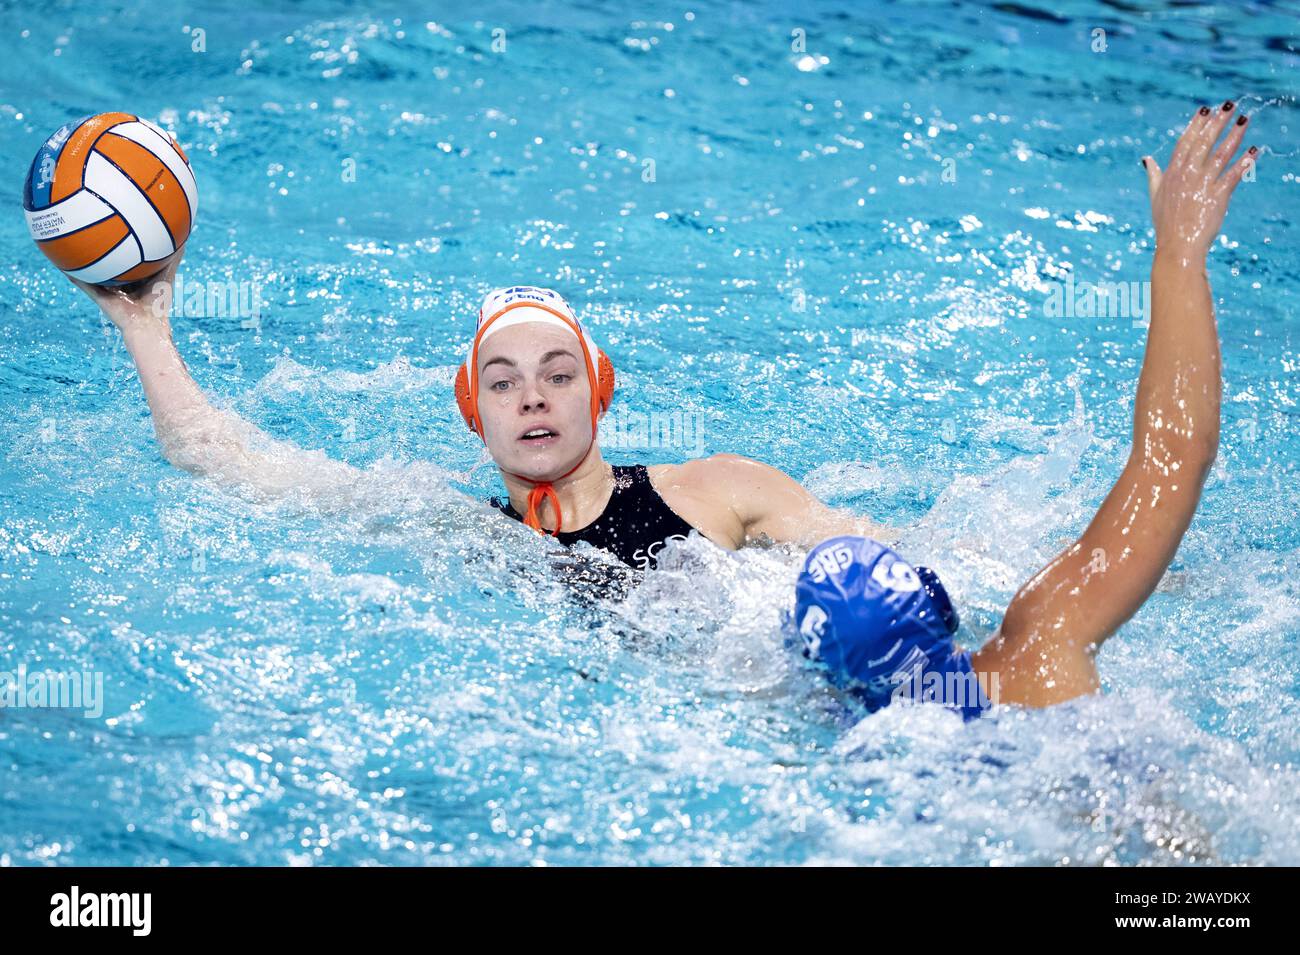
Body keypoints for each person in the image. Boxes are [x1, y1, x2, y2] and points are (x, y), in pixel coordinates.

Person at [72, 99, 1253, 711]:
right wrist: (145, 327)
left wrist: (1052, 570)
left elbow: (890, 555)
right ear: (466, 412)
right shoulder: (463, 539)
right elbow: (226, 458)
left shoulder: (718, 491)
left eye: (553, 372)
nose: (530, 396)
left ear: (602, 387)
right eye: (501, 379)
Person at [790, 100, 1257, 715]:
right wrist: (1179, 252)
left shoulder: (850, 742)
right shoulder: (1034, 651)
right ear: (938, 602)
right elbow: (1174, 452)